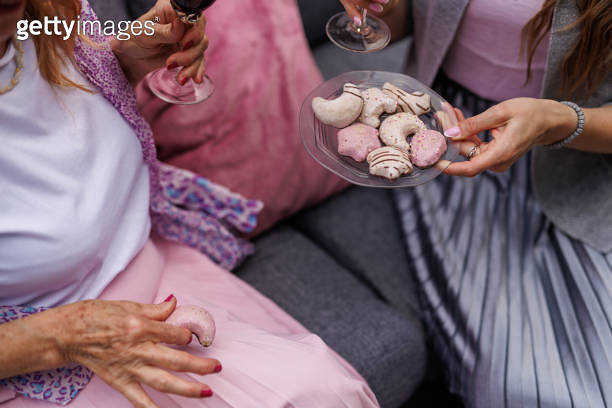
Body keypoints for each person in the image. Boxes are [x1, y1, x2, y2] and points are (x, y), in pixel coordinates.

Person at [0, 1, 380, 407]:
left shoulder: (36, 19)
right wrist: (66, 335)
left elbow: (65, 90)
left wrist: (128, 54)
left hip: (149, 268)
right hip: (43, 354)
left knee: (320, 391)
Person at [337, 0, 611, 407]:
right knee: (526, 380)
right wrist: (379, 9)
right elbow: (415, 19)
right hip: (457, 132)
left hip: (586, 152)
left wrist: (558, 121)